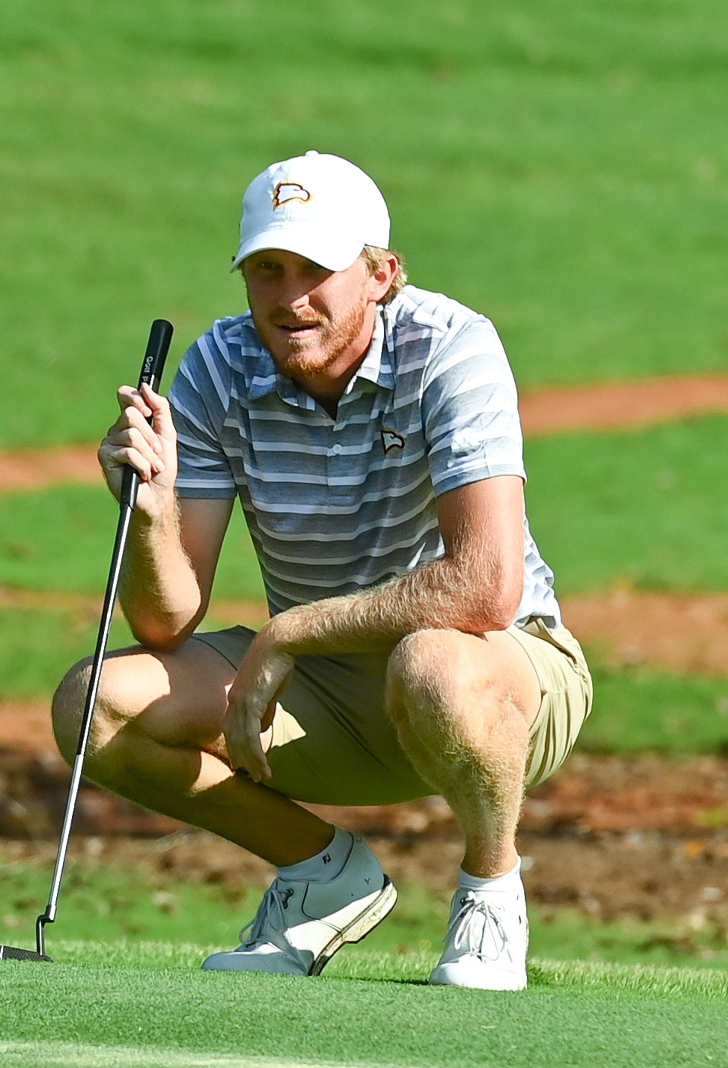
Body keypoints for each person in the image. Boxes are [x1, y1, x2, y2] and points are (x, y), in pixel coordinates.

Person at [52, 151, 591, 990]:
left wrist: (294, 629)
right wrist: (153, 509)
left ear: (381, 274)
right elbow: (164, 624)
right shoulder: (219, 367)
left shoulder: (452, 348)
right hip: (324, 693)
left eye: (316, 269)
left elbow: (486, 586)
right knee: (98, 710)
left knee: (432, 661)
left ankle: (491, 891)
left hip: (496, 674)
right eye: (267, 269)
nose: (288, 295)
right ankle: (321, 874)